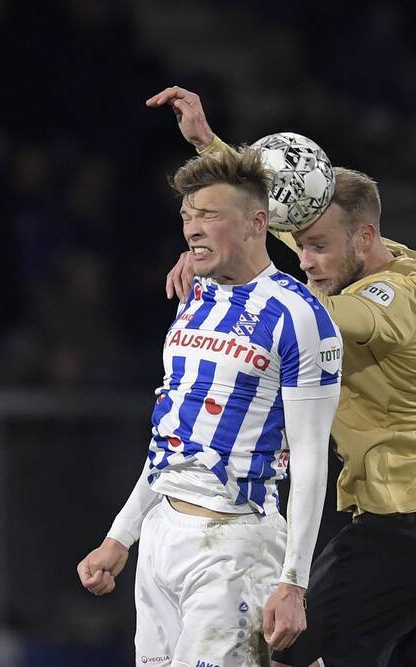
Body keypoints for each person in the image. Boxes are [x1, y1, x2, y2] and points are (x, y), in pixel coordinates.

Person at [150, 86, 416, 666]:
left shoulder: (391, 300)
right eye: (300, 245)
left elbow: (308, 316)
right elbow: (290, 228)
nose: (304, 261)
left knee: (279, 649)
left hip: (398, 531)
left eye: (317, 248)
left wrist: (220, 260)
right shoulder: (403, 259)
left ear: (364, 238)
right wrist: (210, 146)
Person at [77, 146, 342, 667]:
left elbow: (311, 461)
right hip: (160, 542)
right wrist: (121, 536)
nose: (192, 230)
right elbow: (176, 440)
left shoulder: (298, 317)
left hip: (235, 545)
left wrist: (293, 581)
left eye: (210, 217)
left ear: (255, 224)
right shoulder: (193, 296)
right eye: (187, 217)